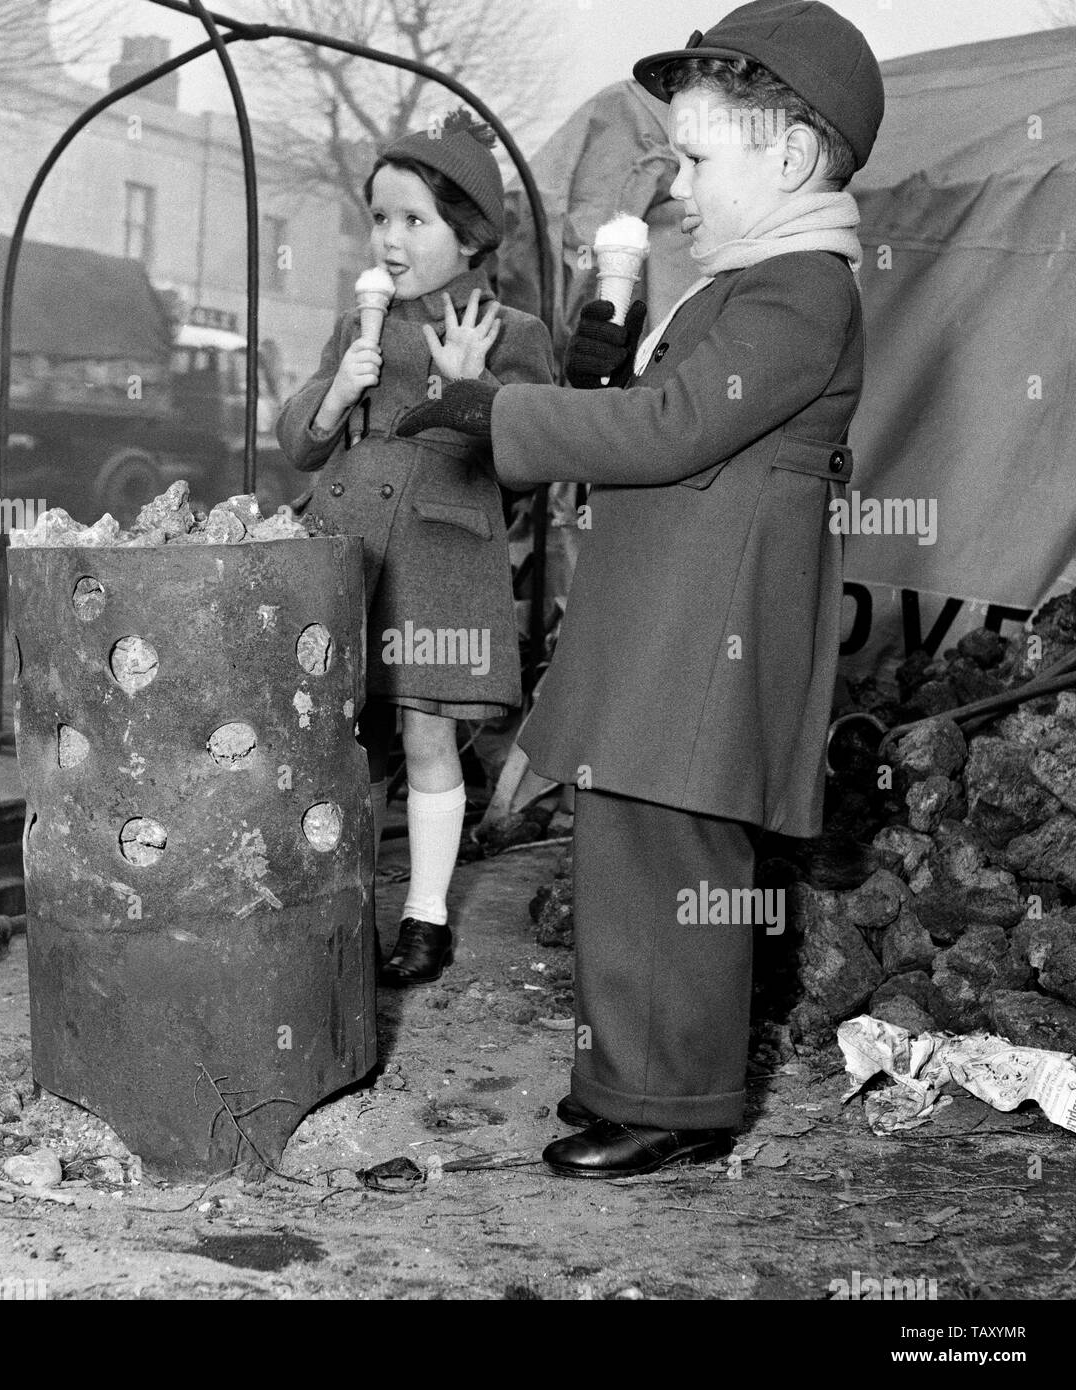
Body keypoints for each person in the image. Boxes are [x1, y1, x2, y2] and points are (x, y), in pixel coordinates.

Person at [397, 0, 885, 1175]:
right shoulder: (738, 285)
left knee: (673, 859)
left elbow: (666, 428)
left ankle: (679, 1101)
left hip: (709, 632)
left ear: (789, 155)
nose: (676, 186)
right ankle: (627, 1078)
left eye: (698, 159)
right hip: (669, 620)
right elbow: (646, 411)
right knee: (623, 840)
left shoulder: (800, 291)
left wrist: (493, 410)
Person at [276, 109, 555, 987]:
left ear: (468, 235)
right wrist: (333, 399)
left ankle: (426, 920)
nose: (390, 240)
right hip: (345, 548)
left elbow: (534, 465)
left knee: (429, 734)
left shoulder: (516, 334)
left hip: (439, 557)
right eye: (380, 218)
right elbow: (299, 441)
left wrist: (474, 394)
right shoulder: (361, 320)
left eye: (414, 220)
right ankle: (337, 900)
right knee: (341, 737)